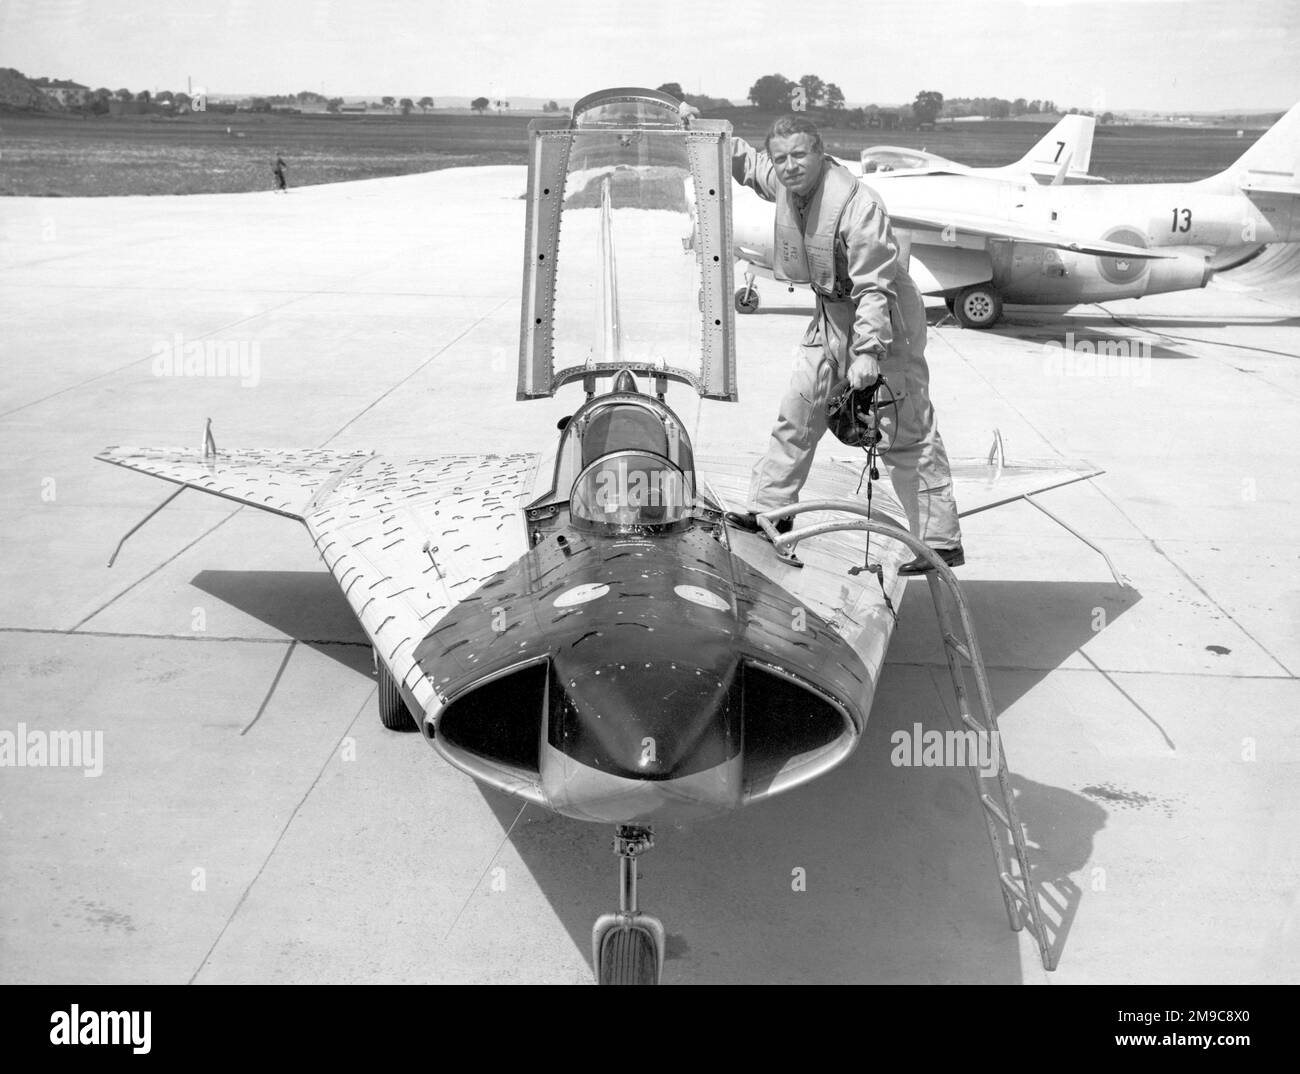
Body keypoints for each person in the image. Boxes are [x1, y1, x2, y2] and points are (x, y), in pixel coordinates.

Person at [690, 107, 963, 574]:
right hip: (831, 314)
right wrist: (703, 129)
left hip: (882, 322)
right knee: (797, 410)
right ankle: (770, 512)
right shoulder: (784, 182)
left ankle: (940, 541)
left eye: (799, 155)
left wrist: (868, 353)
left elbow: (876, 288)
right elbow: (747, 164)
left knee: (904, 430)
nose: (789, 165)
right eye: (782, 158)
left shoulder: (860, 206)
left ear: (820, 153)